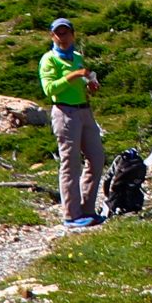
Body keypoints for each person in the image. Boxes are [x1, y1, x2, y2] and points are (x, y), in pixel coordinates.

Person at [40, 17, 104, 227]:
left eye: (65, 33)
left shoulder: (76, 57)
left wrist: (89, 86)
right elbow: (49, 89)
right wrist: (74, 75)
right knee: (70, 163)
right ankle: (71, 214)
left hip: (84, 110)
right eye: (58, 34)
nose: (63, 38)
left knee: (96, 158)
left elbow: (80, 83)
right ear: (52, 36)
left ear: (73, 35)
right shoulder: (49, 59)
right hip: (65, 112)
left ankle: (87, 208)